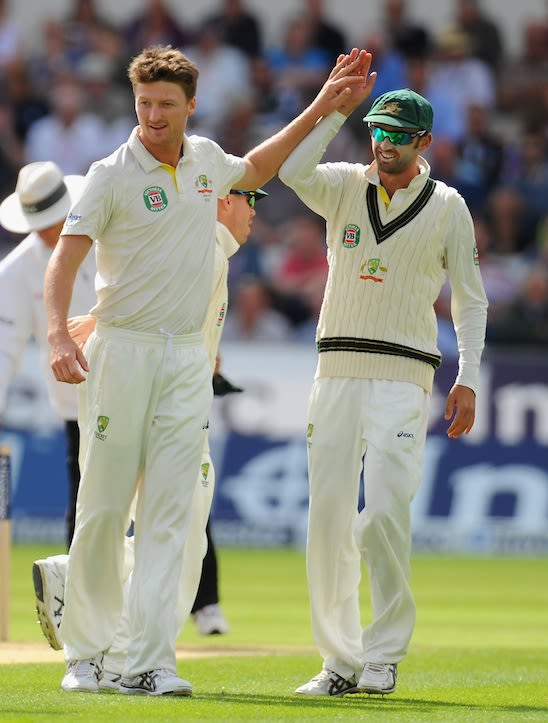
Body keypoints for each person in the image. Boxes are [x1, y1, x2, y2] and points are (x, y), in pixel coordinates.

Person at [44, 44, 372, 696]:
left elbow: (259, 166)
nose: (153, 115)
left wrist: (323, 107)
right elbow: (65, 260)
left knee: (172, 512)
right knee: (104, 505)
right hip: (125, 348)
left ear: (190, 105)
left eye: (166, 104)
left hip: (186, 359)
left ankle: (150, 659)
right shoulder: (110, 173)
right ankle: (86, 654)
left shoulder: (207, 162)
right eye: (144, 103)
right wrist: (56, 330)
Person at [279, 87, 488, 697]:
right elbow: (292, 171)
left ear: (424, 142)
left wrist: (468, 375)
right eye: (377, 130)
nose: (384, 143)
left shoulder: (448, 206)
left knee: (385, 517)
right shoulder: (343, 183)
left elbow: (471, 300)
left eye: (397, 134)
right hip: (337, 370)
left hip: (404, 376)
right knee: (330, 520)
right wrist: (334, 109)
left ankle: (383, 654)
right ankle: (338, 662)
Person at [33, 188, 269, 664]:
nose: (254, 213)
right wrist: (101, 321)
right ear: (223, 201)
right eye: (248, 200)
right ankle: (121, 651)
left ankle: (83, 592)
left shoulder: (211, 250)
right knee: (174, 531)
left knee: (161, 526)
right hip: (158, 403)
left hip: (167, 396)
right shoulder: (202, 246)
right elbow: (146, 290)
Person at [0, 160, 95, 546]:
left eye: (53, 221)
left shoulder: (111, 236)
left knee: (176, 494)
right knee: (87, 505)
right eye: (39, 224)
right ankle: (79, 604)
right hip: (80, 400)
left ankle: (205, 606)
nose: (46, 233)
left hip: (140, 383)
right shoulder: (14, 272)